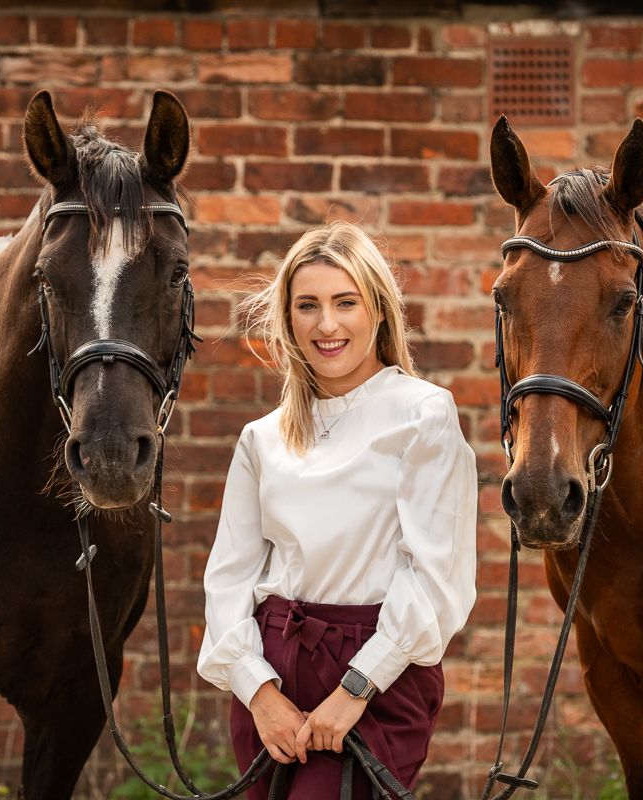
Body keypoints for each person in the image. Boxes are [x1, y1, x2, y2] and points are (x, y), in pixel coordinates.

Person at [197, 221, 478, 798]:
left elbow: (435, 578)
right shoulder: (263, 438)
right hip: (272, 668)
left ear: (377, 309)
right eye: (308, 306)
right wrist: (258, 691)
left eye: (344, 302)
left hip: (377, 671)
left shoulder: (422, 415)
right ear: (288, 318)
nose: (326, 325)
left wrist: (355, 688)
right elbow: (229, 578)